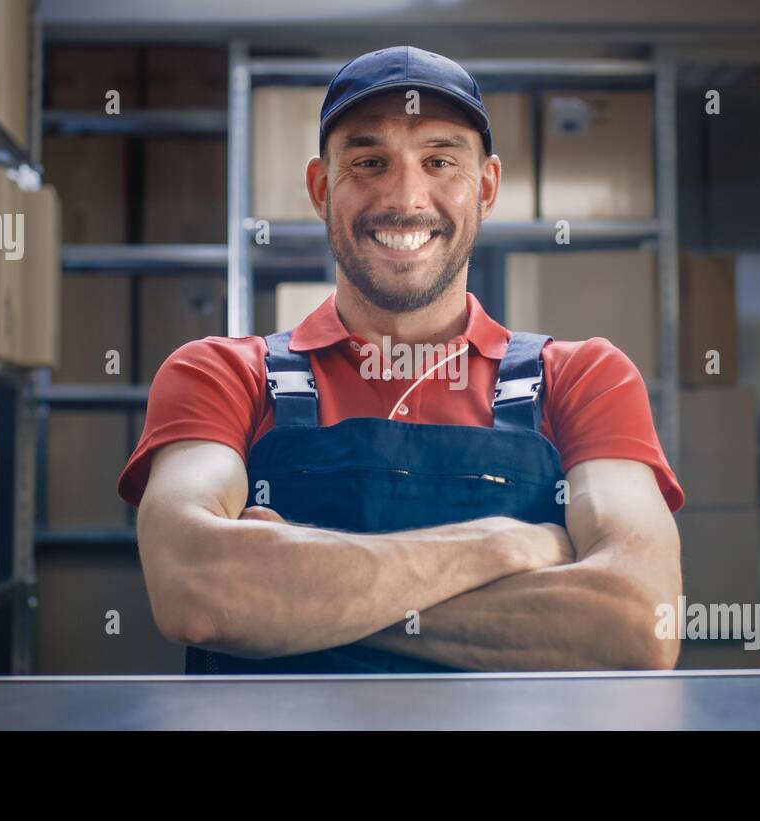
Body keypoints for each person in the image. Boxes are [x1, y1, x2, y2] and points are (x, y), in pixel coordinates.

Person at [118, 46, 685, 673]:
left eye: (440, 160)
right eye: (368, 162)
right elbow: (197, 593)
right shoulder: (221, 375)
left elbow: (638, 624)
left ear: (487, 187)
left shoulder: (583, 379)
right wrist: (499, 547)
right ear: (320, 187)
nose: (405, 196)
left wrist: (293, 601)